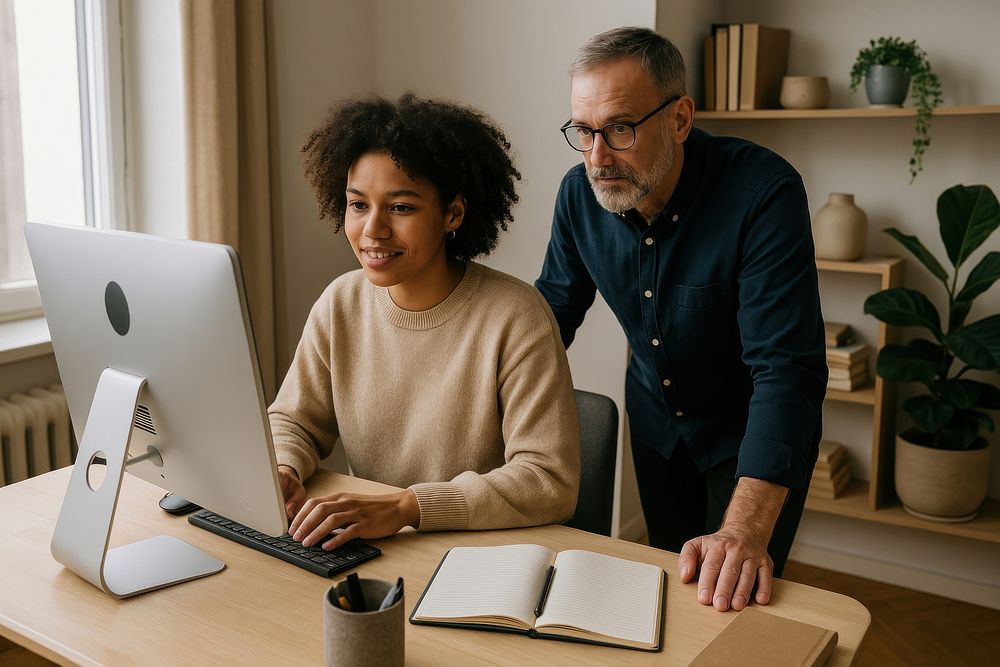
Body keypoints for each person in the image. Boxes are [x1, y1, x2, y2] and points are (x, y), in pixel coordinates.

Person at [535, 27, 827, 612]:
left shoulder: (764, 194)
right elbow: (548, 321)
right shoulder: (579, 195)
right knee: (666, 589)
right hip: (657, 426)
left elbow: (785, 368)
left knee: (732, 600)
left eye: (620, 128)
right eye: (584, 132)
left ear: (680, 118)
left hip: (752, 438)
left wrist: (743, 530)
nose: (597, 157)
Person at [270, 93, 580, 552]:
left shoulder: (516, 316)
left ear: (453, 213)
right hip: (372, 548)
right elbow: (294, 420)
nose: (372, 229)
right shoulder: (341, 302)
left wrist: (407, 507)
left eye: (400, 208)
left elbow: (547, 480)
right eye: (358, 204)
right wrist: (283, 469)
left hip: (481, 558)